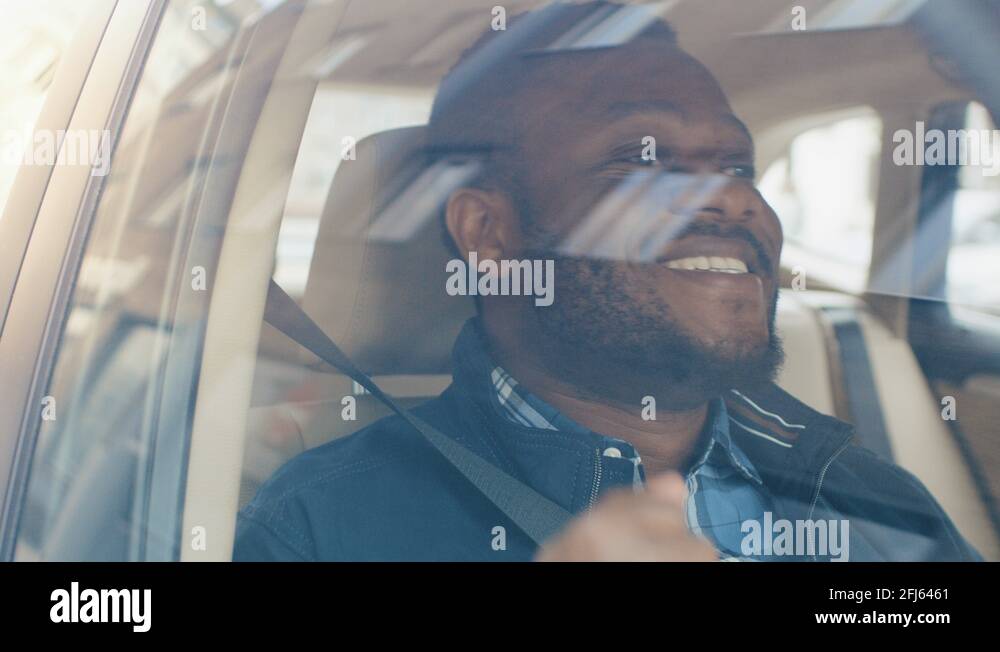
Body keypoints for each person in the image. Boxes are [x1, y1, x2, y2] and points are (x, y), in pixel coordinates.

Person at [234, 1, 979, 561]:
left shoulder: (861, 491)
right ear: (489, 234)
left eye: (738, 166)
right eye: (641, 159)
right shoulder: (319, 525)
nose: (734, 199)